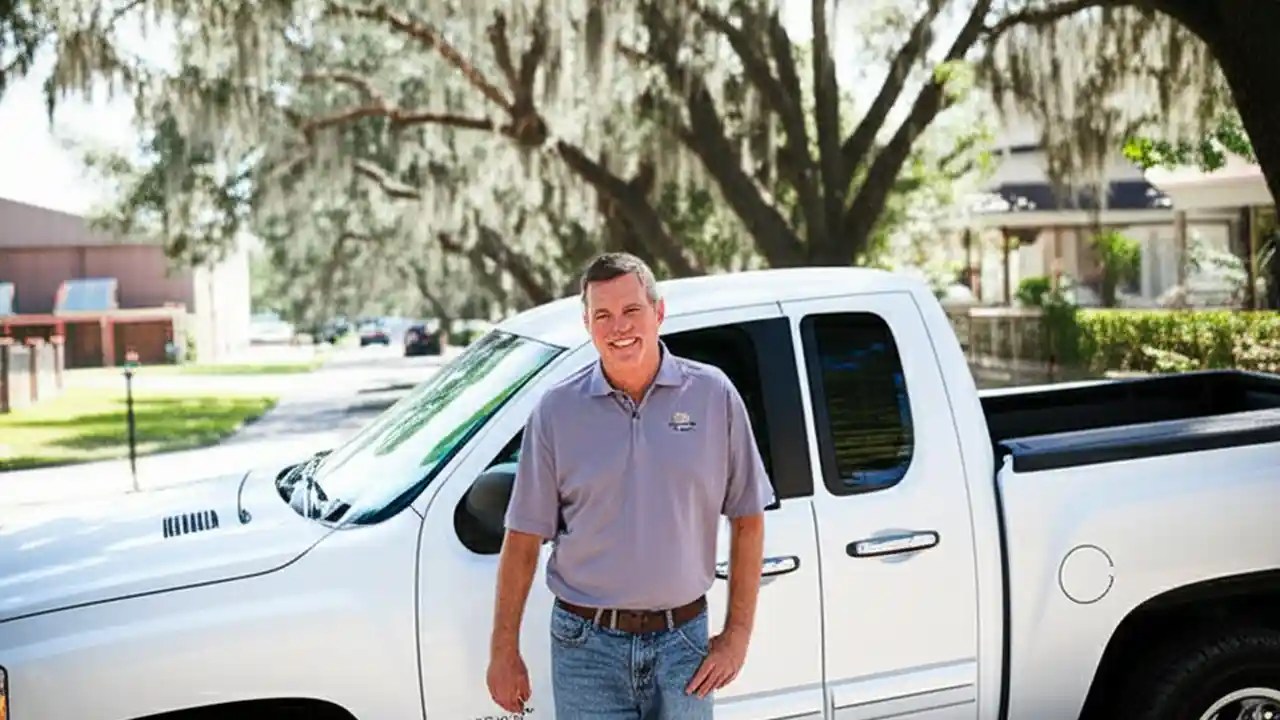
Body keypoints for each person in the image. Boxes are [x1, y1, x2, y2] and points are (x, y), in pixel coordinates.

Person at [486, 252, 775, 719]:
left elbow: (748, 517)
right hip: (585, 648)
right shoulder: (556, 412)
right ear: (587, 323)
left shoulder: (713, 395)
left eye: (631, 311)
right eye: (603, 315)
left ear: (658, 313)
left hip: (684, 643)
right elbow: (521, 540)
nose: (618, 327)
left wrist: (737, 634)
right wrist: (503, 651)